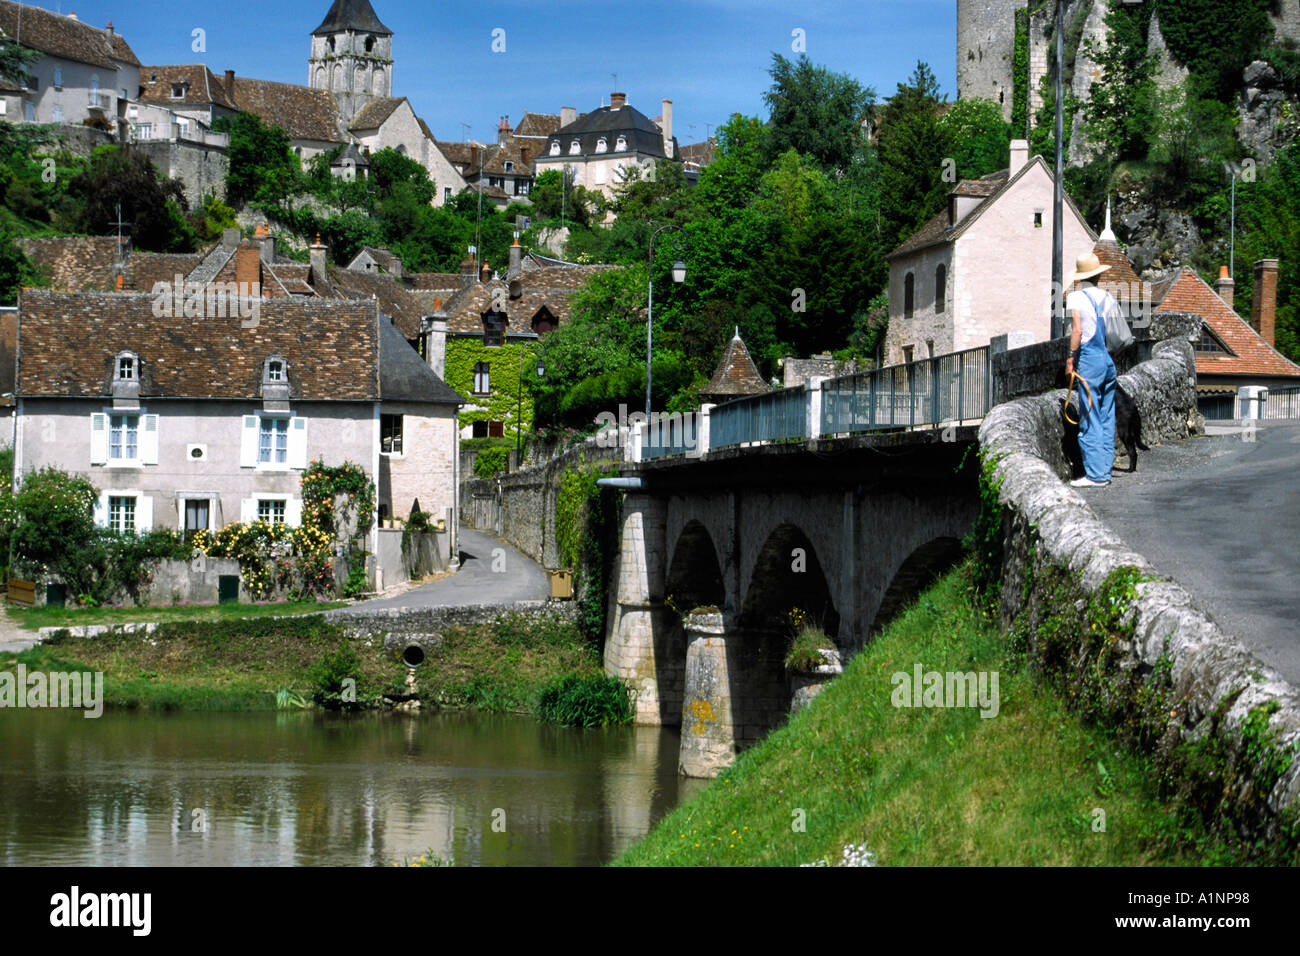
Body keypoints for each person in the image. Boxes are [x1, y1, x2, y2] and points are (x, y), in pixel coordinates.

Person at [1064, 252, 1118, 488]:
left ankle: (1095, 475)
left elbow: (1077, 331)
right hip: (1107, 360)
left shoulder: (1076, 297)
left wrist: (1069, 359)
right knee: (1106, 417)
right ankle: (1104, 471)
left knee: (1089, 416)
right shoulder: (1107, 296)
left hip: (1090, 360)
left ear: (1081, 277)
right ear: (1097, 275)